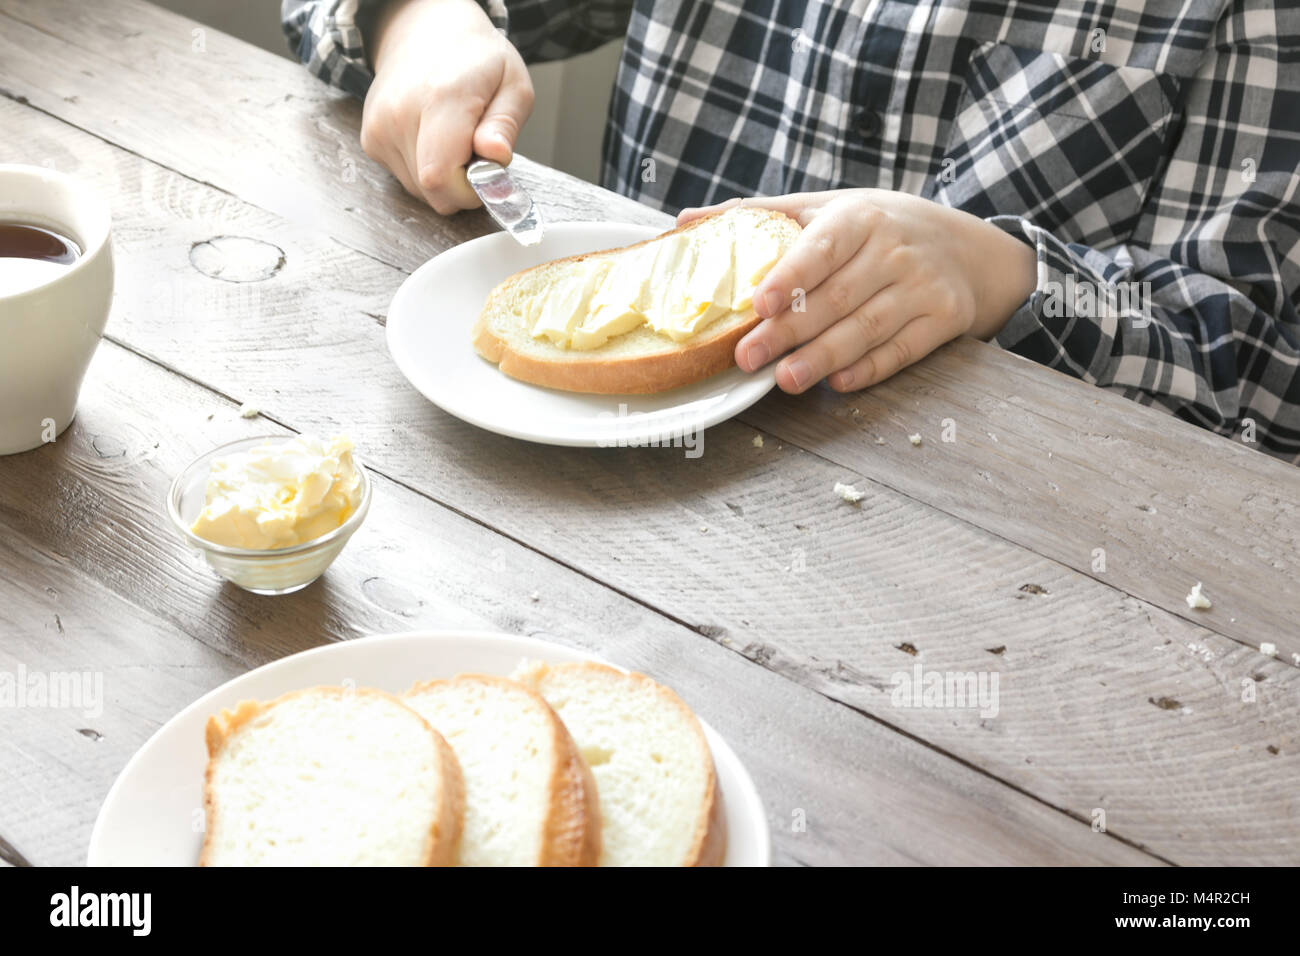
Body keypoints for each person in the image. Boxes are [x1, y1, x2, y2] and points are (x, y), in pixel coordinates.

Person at [283, 0, 1300, 463]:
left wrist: (997, 274)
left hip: (980, 539)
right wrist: (418, 24)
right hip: (587, 479)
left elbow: (1254, 379)